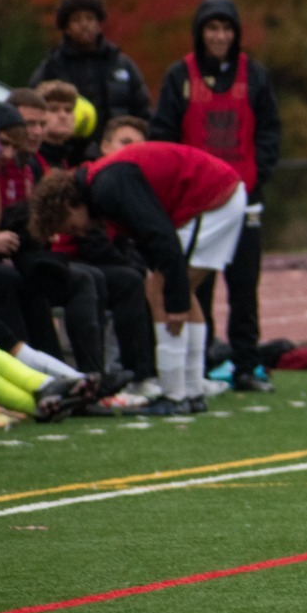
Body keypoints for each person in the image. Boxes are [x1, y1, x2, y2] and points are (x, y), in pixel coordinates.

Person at [30, 140, 246, 415]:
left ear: (69, 205)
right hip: (218, 192)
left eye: (70, 226)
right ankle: (191, 391)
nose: (78, 233)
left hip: (210, 194)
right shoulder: (102, 185)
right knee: (172, 288)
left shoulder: (107, 187)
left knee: (161, 291)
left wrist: (175, 301)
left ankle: (175, 394)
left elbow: (161, 235)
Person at [149, 0, 282, 392]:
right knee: (196, 283)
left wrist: (256, 177)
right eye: (212, 28)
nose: (220, 36)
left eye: (226, 28)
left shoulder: (254, 75)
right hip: (197, 202)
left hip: (244, 197)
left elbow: (270, 131)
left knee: (244, 283)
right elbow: (164, 136)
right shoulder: (180, 77)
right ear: (200, 32)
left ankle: (245, 364)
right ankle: (200, 364)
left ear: (236, 33)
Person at [28, 0, 150, 137]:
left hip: (115, 147)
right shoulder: (52, 67)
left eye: (90, 18)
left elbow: (143, 109)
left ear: (99, 25)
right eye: (76, 20)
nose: (84, 24)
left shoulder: (121, 64)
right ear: (66, 28)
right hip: (67, 149)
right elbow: (33, 106)